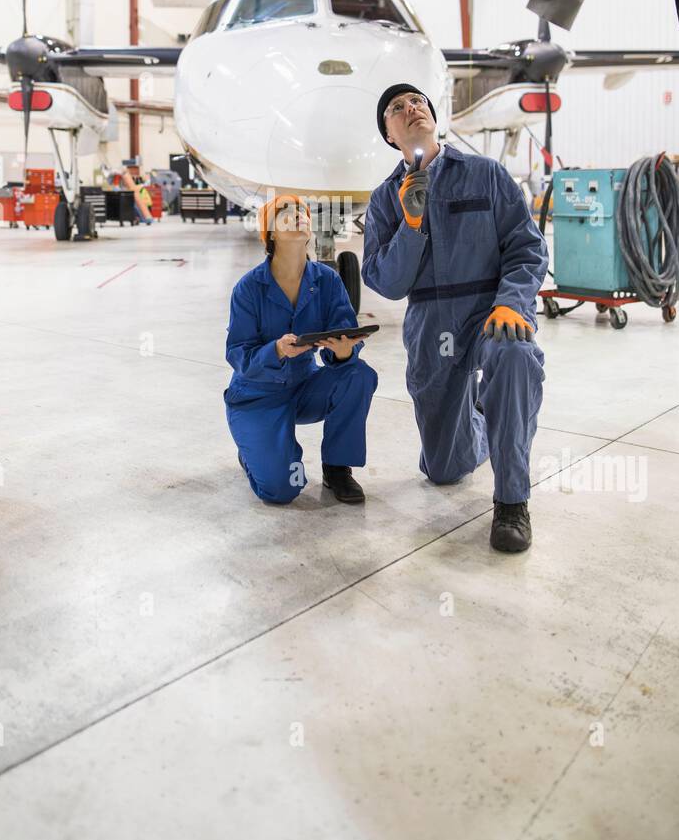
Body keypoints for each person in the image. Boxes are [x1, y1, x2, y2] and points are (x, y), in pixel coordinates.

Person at [362, 85, 548, 552]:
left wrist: (512, 302)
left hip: (491, 310)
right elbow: (388, 283)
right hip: (432, 323)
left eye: (417, 102)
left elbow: (527, 248)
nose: (411, 108)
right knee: (444, 469)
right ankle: (486, 418)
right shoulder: (384, 199)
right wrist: (411, 225)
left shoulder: (485, 174)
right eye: (397, 109)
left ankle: (512, 502)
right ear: (389, 135)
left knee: (513, 355)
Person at [225, 194, 378, 506]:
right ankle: (252, 452)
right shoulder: (248, 288)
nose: (298, 216)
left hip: (304, 387)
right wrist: (277, 351)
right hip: (258, 395)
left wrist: (343, 352)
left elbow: (345, 330)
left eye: (302, 212)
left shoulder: (327, 280)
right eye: (286, 212)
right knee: (281, 491)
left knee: (358, 374)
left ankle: (337, 468)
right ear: (270, 232)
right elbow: (237, 353)